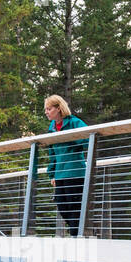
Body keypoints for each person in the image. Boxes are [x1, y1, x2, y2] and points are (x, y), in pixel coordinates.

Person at [44, 95, 87, 237]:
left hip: (75, 172)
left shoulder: (74, 122)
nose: (46, 112)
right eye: (46, 109)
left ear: (59, 108)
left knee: (75, 207)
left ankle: (76, 237)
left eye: (49, 109)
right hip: (60, 174)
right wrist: (52, 174)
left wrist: (73, 139)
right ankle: (77, 233)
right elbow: (52, 154)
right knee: (62, 207)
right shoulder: (51, 128)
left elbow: (88, 139)